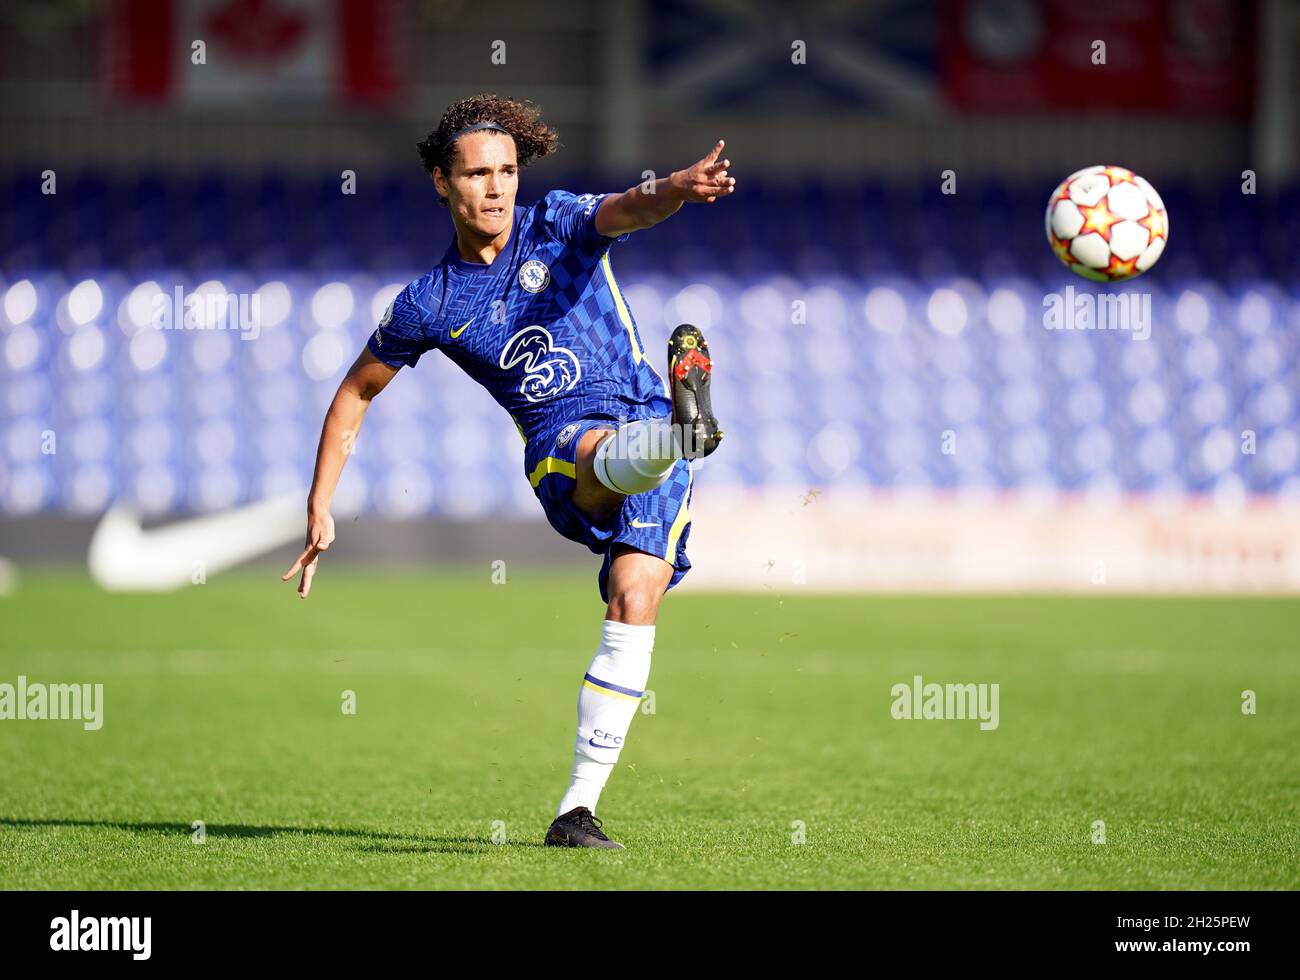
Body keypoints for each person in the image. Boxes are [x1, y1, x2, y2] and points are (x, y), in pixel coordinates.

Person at [282, 93, 734, 849]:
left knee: (632, 598)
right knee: (597, 453)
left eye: (506, 171)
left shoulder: (554, 222)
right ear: (440, 182)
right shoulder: (429, 302)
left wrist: (676, 189)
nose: (496, 188)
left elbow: (627, 209)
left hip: (644, 412)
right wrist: (321, 503)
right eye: (477, 174)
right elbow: (357, 390)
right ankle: (675, 438)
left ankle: (575, 813)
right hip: (562, 449)